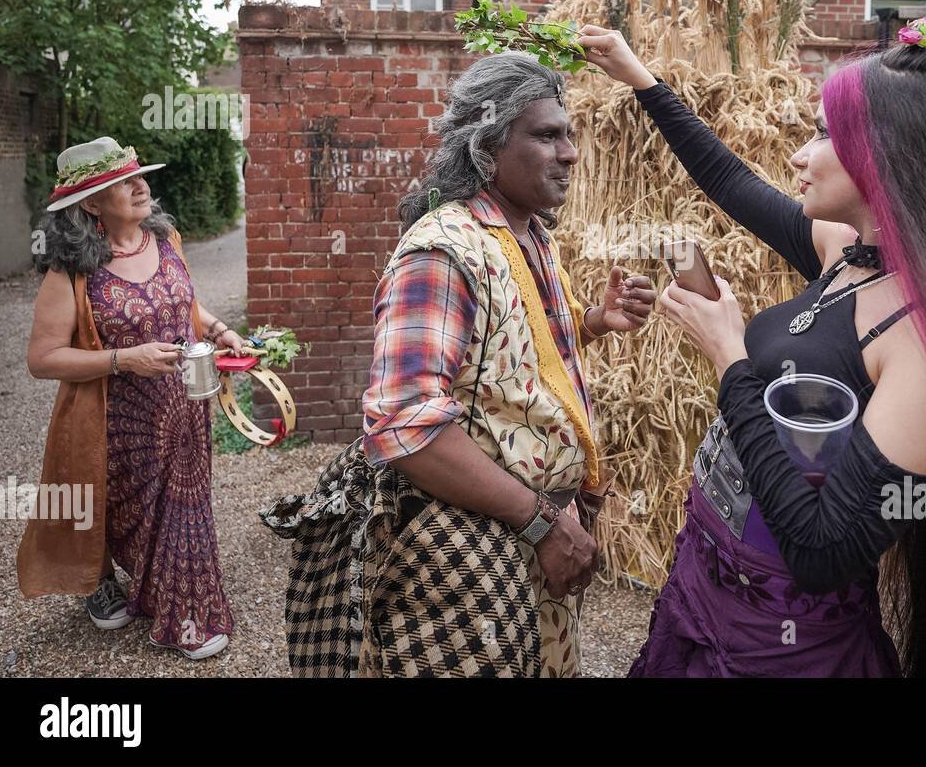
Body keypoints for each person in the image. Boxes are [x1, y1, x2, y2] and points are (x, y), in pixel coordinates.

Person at [578, 18, 926, 677]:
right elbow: (730, 182)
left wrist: (731, 358)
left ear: (892, 155)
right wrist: (638, 75)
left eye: (824, 134)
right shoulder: (844, 254)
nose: (798, 154)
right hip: (701, 591)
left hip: (777, 649)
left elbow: (824, 551)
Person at [264, 52, 656, 677]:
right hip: (469, 557)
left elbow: (511, 357)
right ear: (486, 146)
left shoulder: (528, 236)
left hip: (527, 546)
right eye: (547, 135)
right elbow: (403, 424)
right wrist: (540, 523)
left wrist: (593, 322)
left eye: (570, 134)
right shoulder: (443, 253)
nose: (571, 153)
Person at [20, 136, 244, 660]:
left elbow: (185, 304)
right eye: (121, 182)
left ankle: (189, 611)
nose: (140, 185)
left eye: (138, 175)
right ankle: (100, 577)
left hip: (183, 408)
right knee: (119, 511)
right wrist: (125, 359)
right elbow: (42, 358)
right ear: (92, 204)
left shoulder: (167, 242)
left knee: (184, 507)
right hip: (114, 420)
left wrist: (220, 329)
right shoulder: (71, 270)